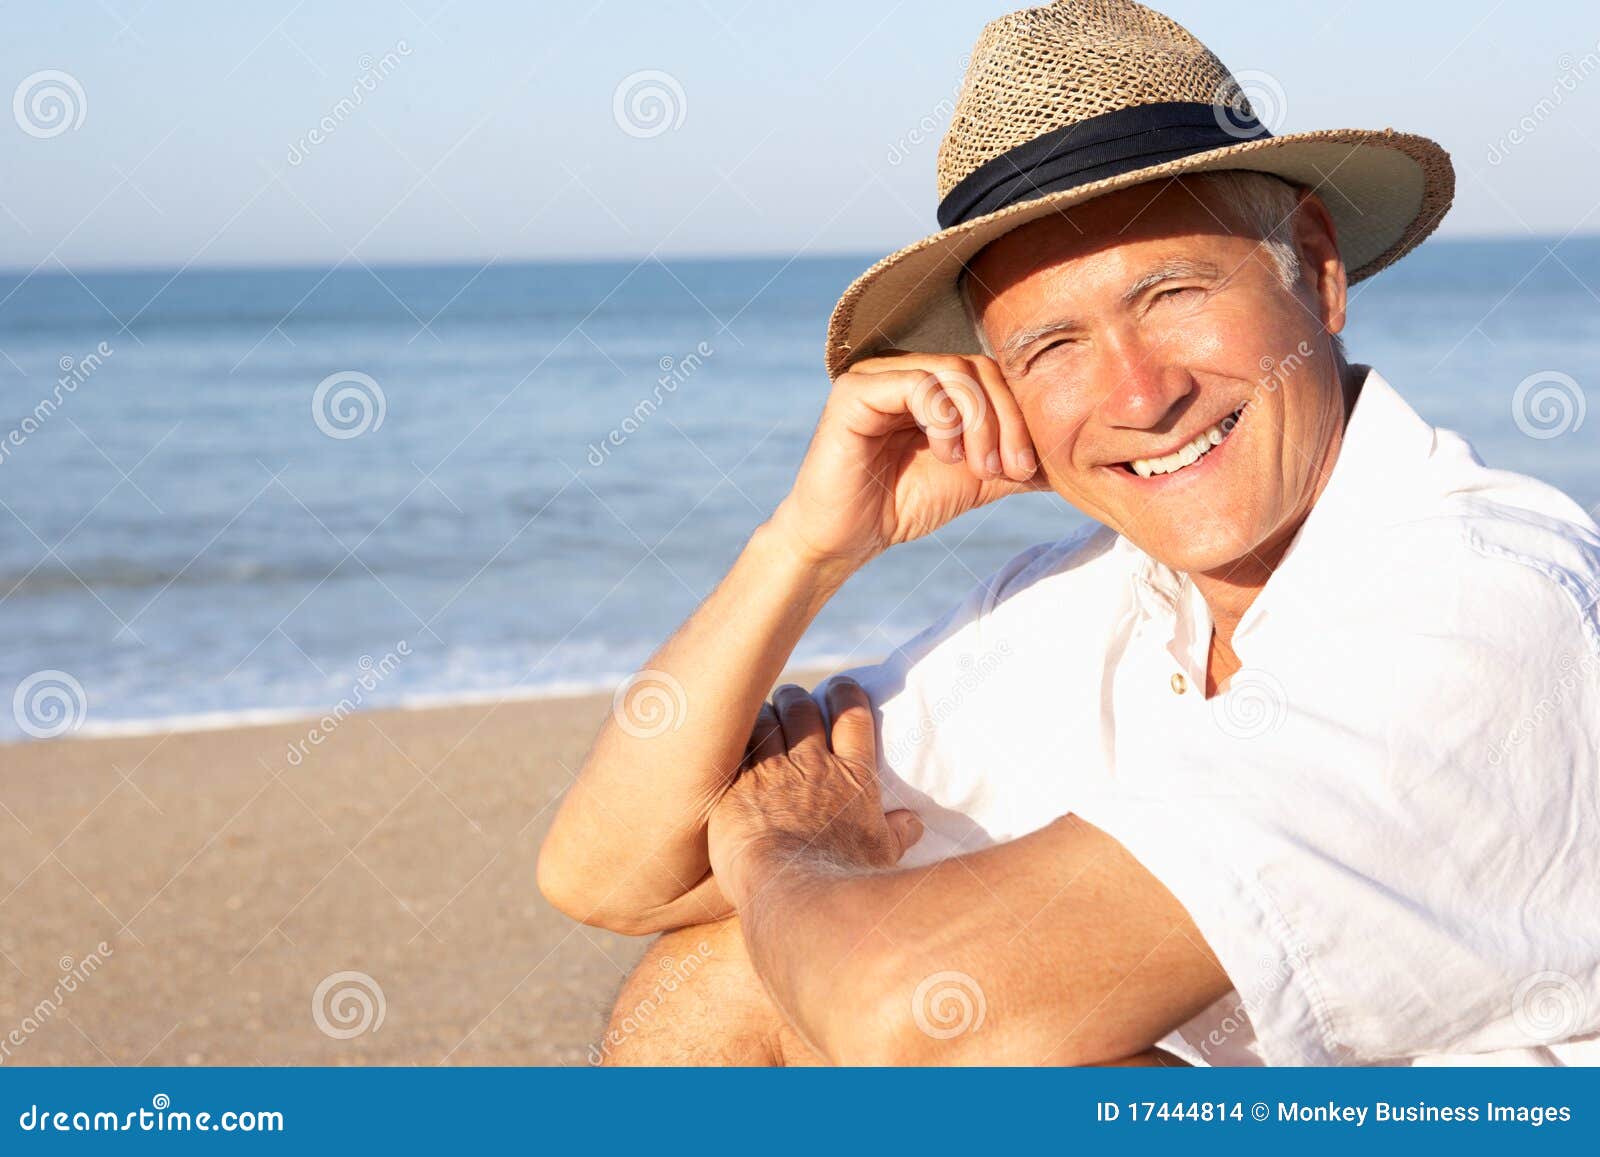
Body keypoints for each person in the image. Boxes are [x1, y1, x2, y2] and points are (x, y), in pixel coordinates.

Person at [539, 0, 1600, 1066]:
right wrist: (806, 547)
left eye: (1174, 292)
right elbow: (610, 872)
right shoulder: (1088, 603)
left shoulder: (1474, 601)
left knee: (865, 992)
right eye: (1053, 346)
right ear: (999, 388)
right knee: (716, 970)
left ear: (1314, 270)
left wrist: (788, 851)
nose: (1138, 395)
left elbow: (908, 1009)